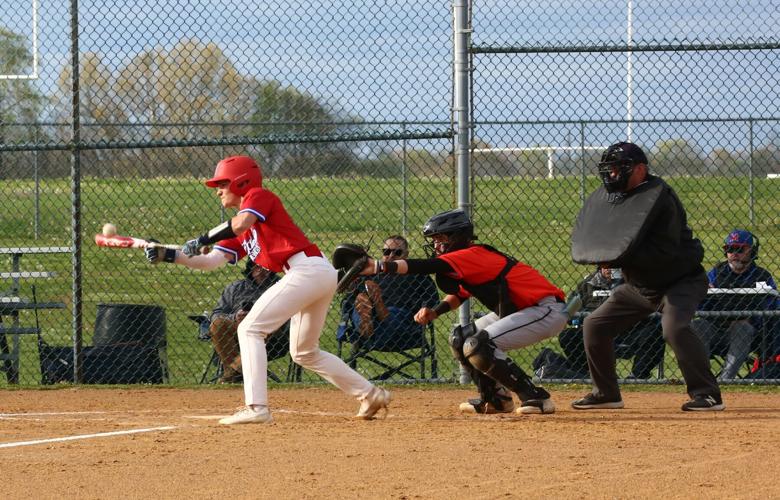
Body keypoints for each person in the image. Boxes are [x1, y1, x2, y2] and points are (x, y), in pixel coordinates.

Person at [145, 155, 390, 424]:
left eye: (223, 183)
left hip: (306, 269)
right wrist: (170, 256)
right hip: (312, 274)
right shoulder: (240, 231)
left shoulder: (258, 195)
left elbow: (240, 223)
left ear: (242, 182)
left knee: (250, 328)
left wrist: (202, 238)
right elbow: (209, 260)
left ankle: (257, 407)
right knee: (304, 352)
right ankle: (369, 394)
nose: (218, 190)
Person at [360, 208, 568, 415]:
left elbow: (427, 266)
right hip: (525, 310)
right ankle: (495, 399)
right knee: (460, 338)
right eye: (434, 240)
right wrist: (435, 311)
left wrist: (379, 266)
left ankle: (536, 397)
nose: (436, 245)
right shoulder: (469, 259)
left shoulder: (472, 254)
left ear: (457, 237)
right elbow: (461, 293)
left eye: (440, 238)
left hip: (546, 308)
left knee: (478, 345)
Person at [570, 141, 723, 411]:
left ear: (640, 169)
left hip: (679, 281)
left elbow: (663, 251)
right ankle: (606, 393)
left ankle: (707, 395)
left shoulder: (660, 197)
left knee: (674, 327)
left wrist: (617, 259)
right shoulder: (615, 199)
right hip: (640, 286)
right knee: (594, 325)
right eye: (611, 169)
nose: (614, 175)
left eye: (620, 169)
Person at [692, 229, 779, 380]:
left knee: (742, 328)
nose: (734, 253)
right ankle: (703, 379)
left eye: (739, 249)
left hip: (749, 334)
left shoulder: (762, 276)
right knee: (697, 325)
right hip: (716, 328)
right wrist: (703, 294)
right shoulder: (715, 273)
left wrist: (752, 319)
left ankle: (725, 381)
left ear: (752, 251)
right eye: (729, 249)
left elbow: (773, 308)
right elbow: (699, 307)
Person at [550, 266, 665, 380]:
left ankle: (637, 376)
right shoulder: (587, 285)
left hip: (630, 332)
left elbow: (656, 310)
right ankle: (591, 374)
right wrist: (590, 318)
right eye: (606, 266)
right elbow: (569, 313)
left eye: (615, 267)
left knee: (655, 331)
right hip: (596, 333)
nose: (609, 269)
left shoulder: (635, 283)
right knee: (568, 336)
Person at [338, 235, 439, 353]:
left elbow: (432, 300)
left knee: (393, 314)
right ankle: (371, 317)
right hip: (370, 315)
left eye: (397, 252)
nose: (391, 256)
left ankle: (378, 313)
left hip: (401, 323)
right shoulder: (371, 274)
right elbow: (348, 301)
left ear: (406, 254)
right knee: (361, 303)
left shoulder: (416, 274)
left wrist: (422, 310)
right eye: (386, 252)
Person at [207, 259, 290, 384]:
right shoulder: (235, 288)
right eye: (256, 266)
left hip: (271, 334)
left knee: (266, 323)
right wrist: (235, 317)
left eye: (265, 266)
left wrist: (257, 318)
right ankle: (236, 372)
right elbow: (216, 314)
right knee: (218, 323)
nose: (260, 269)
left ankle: (231, 375)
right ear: (250, 267)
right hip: (237, 330)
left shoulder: (281, 286)